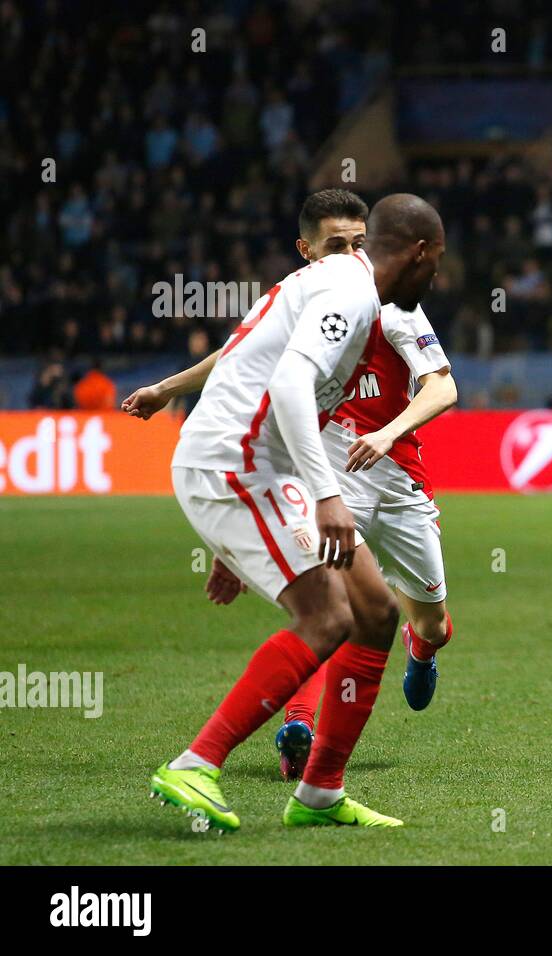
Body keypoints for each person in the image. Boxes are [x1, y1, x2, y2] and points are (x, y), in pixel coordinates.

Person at [124, 189, 459, 783]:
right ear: (417, 254)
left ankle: (322, 792)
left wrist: (247, 530)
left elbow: (247, 356)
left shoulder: (359, 295)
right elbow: (287, 385)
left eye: (356, 241)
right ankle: (200, 764)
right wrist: (318, 498)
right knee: (331, 617)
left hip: (309, 471)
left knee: (381, 612)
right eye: (436, 265)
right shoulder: (349, 293)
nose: (438, 279)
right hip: (259, 463)